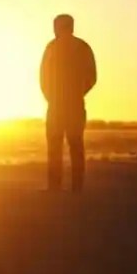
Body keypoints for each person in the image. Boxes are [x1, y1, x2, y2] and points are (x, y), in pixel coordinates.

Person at [40, 14, 97, 191]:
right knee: (75, 145)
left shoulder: (53, 47)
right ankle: (76, 186)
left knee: (57, 146)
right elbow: (91, 77)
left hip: (59, 104)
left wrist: (52, 96)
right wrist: (79, 93)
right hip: (72, 103)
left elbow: (43, 77)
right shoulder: (82, 47)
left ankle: (55, 186)